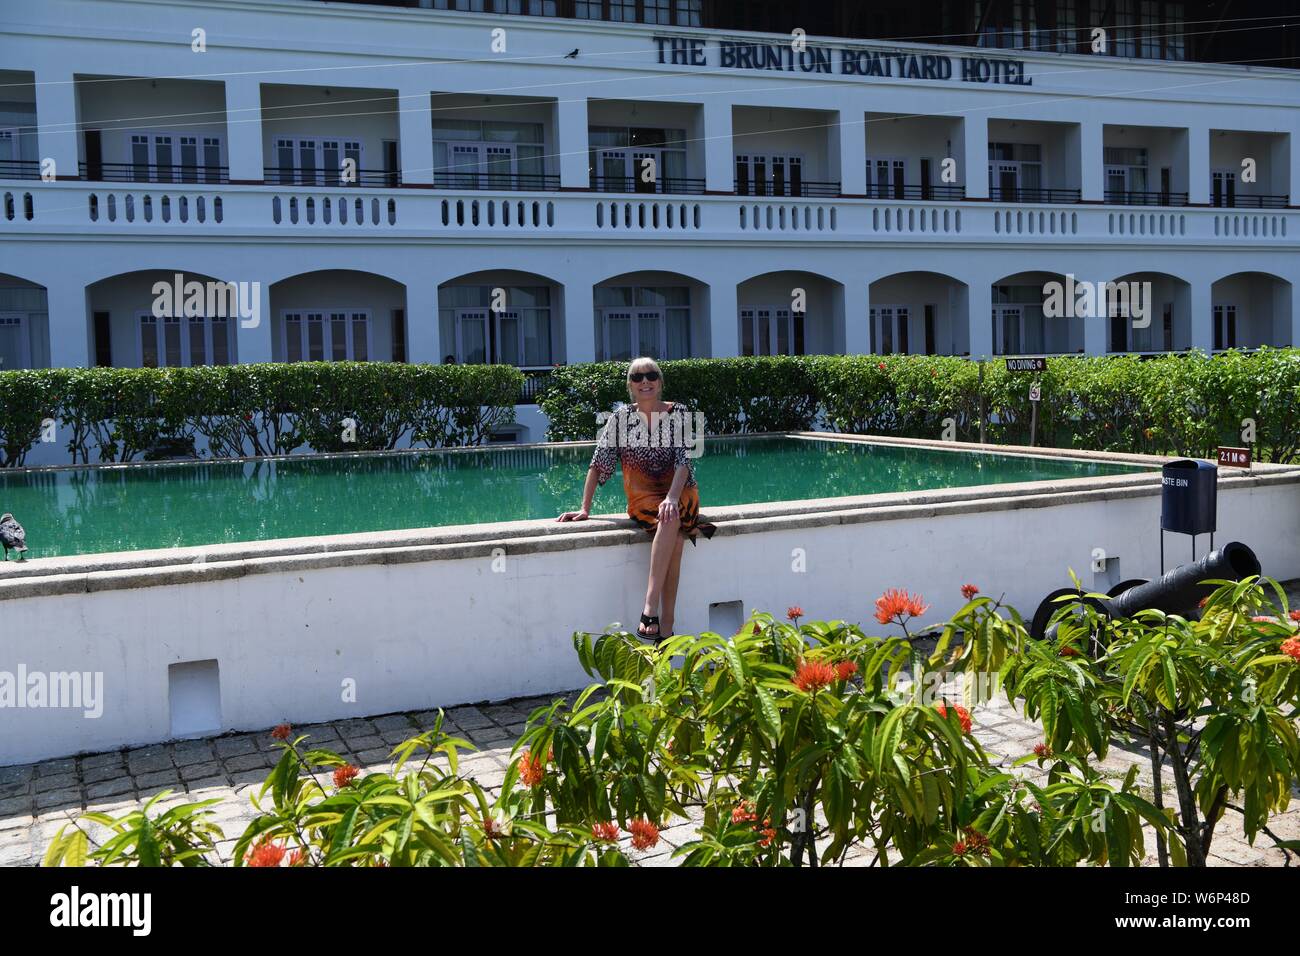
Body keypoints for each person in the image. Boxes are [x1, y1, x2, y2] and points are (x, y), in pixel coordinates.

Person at [558, 357, 714, 641]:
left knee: (671, 515)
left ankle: (649, 608)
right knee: (676, 537)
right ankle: (667, 629)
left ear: (660, 382)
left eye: (651, 375)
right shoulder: (620, 419)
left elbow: (684, 461)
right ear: (630, 385)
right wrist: (584, 508)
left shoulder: (679, 412)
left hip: (680, 492)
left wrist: (671, 498)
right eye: (637, 377)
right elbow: (599, 463)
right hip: (643, 497)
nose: (645, 382)